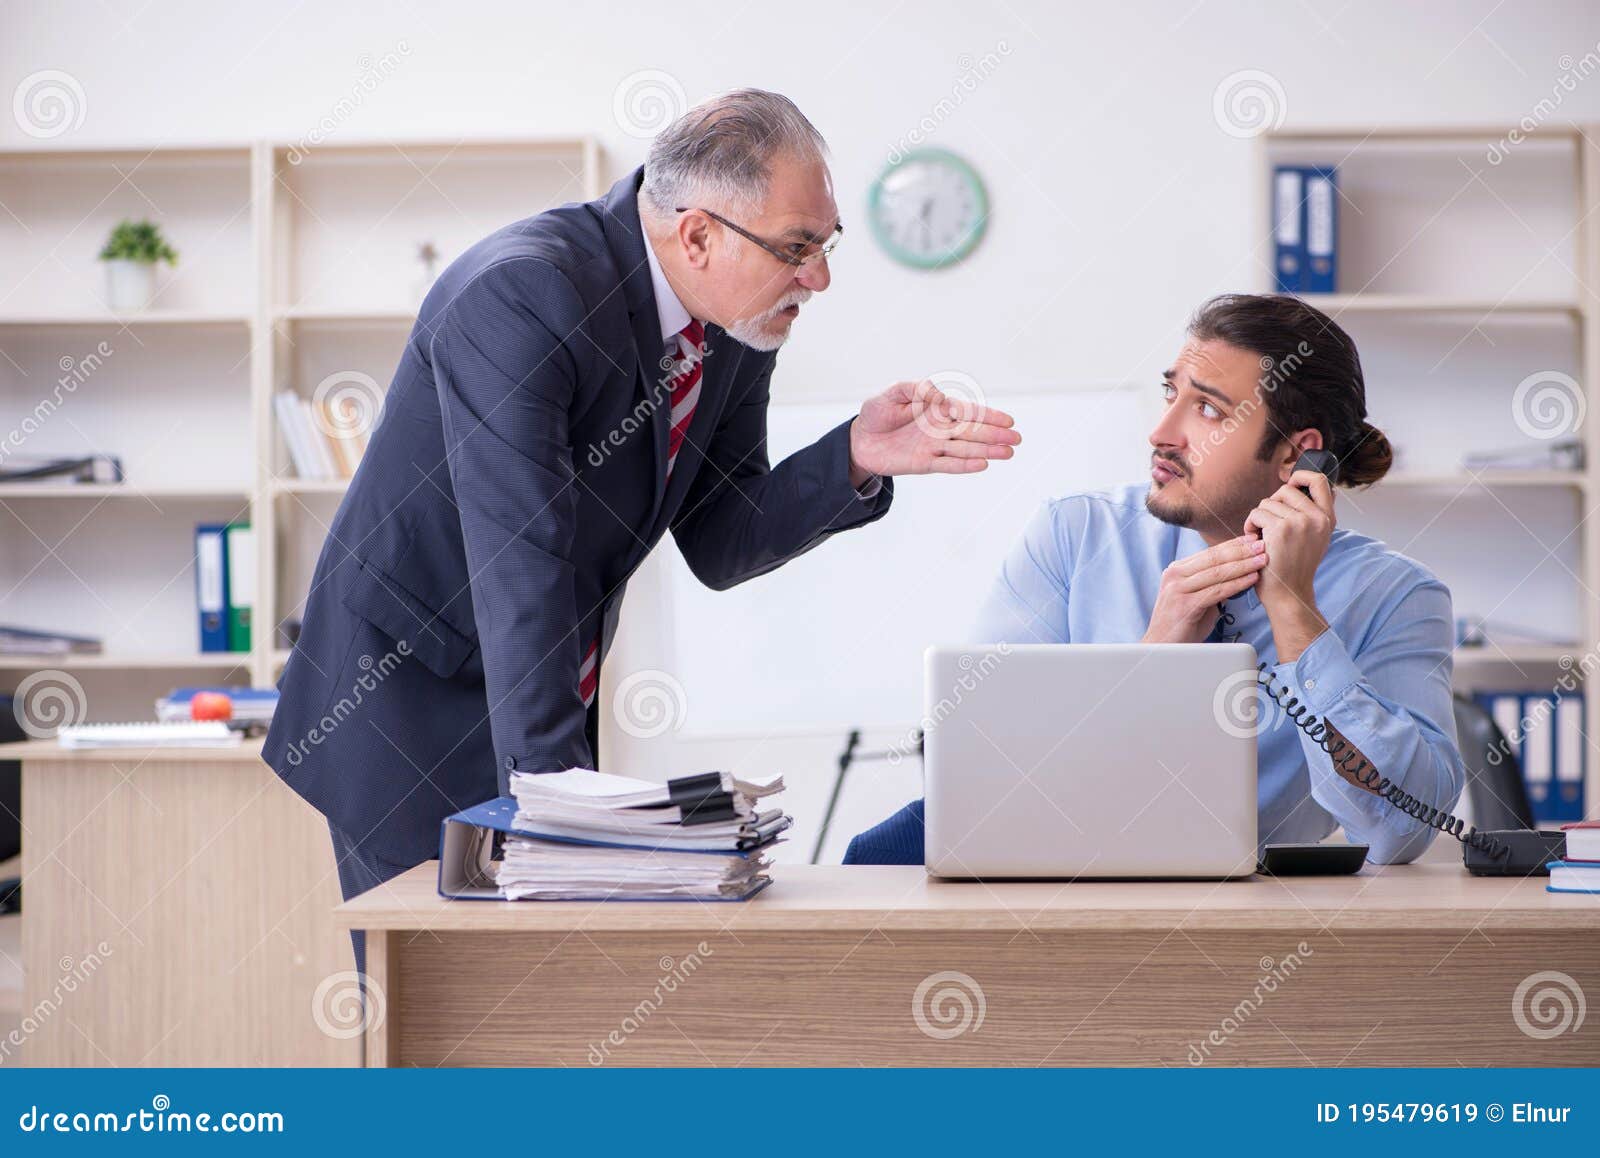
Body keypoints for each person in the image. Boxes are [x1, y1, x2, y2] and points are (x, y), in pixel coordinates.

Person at [263, 90, 1021, 970]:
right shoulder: (521, 292)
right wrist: (566, 812)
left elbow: (723, 538)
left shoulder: (732, 328)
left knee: (546, 1004)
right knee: (450, 1013)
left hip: (535, 694)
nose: (819, 278)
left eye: (826, 243)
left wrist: (854, 456)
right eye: (798, 249)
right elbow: (523, 558)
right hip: (404, 699)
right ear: (698, 235)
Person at [847, 293, 1465, 867]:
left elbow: (1401, 830)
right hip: (1048, 892)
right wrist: (1154, 662)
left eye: (1206, 408)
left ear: (1294, 456)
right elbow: (971, 773)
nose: (1161, 432)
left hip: (1252, 933)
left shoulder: (1397, 597)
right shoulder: (1076, 535)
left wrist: (1296, 613)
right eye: (1170, 393)